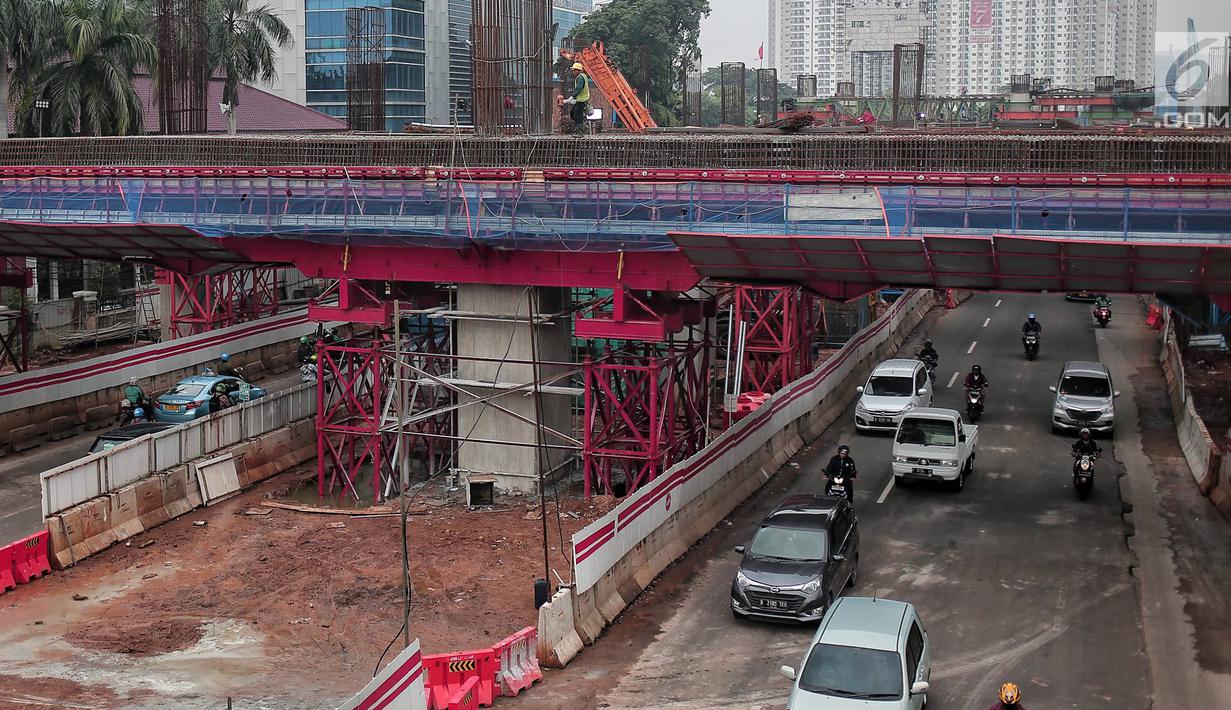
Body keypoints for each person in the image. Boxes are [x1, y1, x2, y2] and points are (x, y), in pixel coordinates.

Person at [563, 62, 591, 134]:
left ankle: (580, 132)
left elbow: (579, 89)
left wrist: (572, 97)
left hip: (582, 100)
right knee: (573, 113)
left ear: (578, 70)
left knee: (578, 116)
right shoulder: (582, 76)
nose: (573, 71)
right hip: (580, 100)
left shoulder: (580, 77)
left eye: (574, 70)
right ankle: (582, 128)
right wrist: (575, 100)